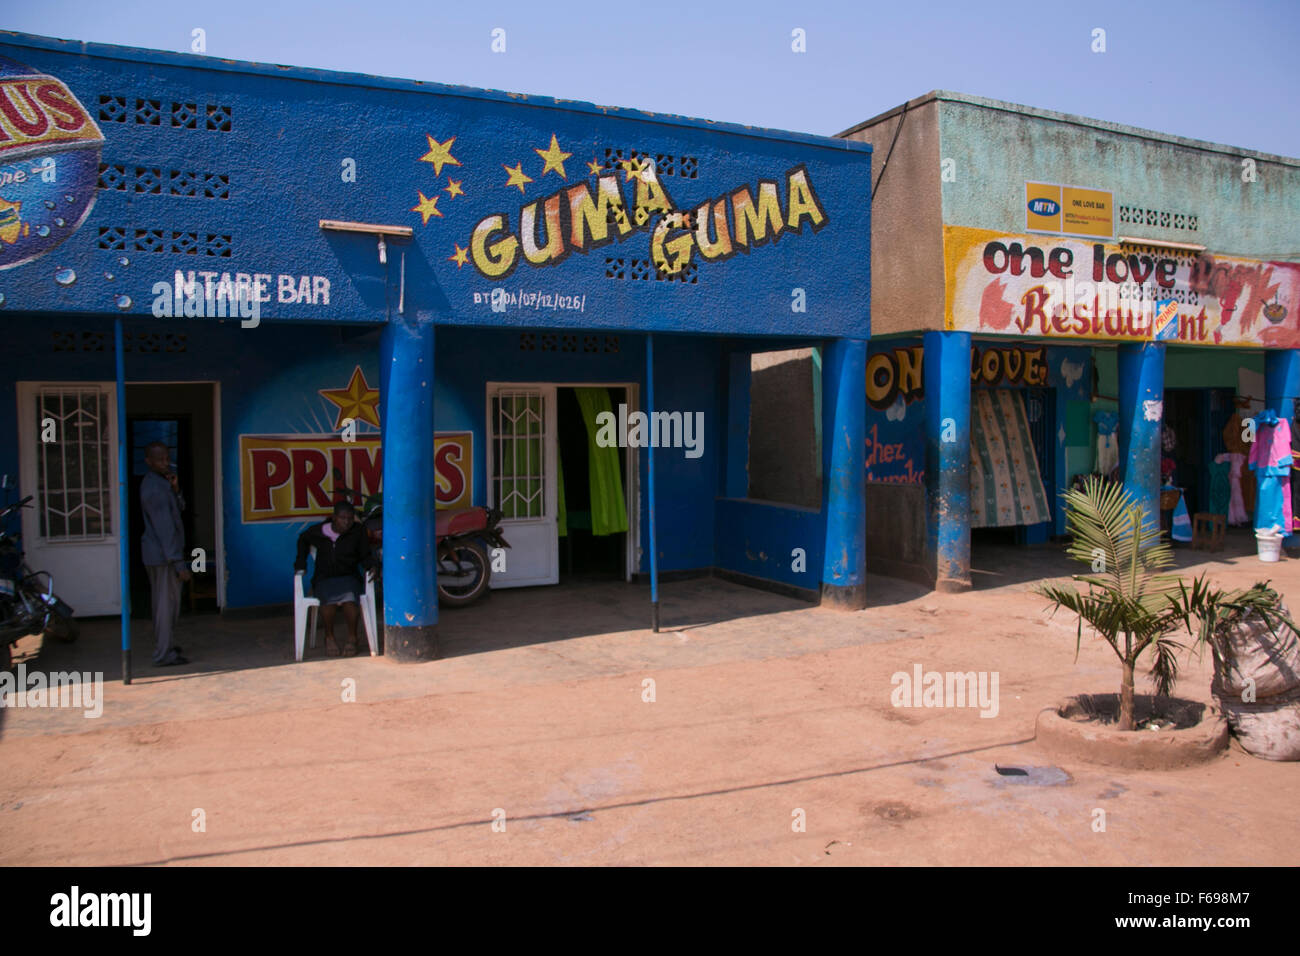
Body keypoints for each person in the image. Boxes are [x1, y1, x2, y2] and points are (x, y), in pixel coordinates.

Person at [294, 501, 375, 656]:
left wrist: (372, 566)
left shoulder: (357, 532)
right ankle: (329, 637)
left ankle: (352, 638)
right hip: (324, 578)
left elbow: (365, 555)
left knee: (350, 600)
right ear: (334, 518)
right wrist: (300, 563)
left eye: (350, 519)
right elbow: (302, 540)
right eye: (342, 518)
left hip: (349, 576)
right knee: (328, 600)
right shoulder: (318, 532)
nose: (346, 522)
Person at [140, 440, 190, 666]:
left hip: (162, 555)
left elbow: (179, 509)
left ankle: (166, 645)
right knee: (166, 606)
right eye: (159, 459)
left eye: (167, 458)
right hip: (163, 557)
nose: (165, 463)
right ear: (148, 461)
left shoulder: (162, 484)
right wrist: (179, 563)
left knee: (166, 605)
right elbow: (165, 528)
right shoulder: (153, 488)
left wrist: (176, 490)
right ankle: (163, 653)